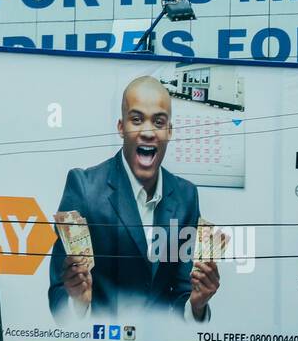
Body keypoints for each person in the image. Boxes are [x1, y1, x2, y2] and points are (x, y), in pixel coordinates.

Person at [48, 75, 220, 322]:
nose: (148, 132)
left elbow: (182, 292)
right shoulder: (85, 187)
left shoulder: (186, 197)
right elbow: (58, 294)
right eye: (137, 120)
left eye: (159, 122)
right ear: (121, 127)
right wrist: (77, 303)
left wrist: (197, 305)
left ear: (169, 131)